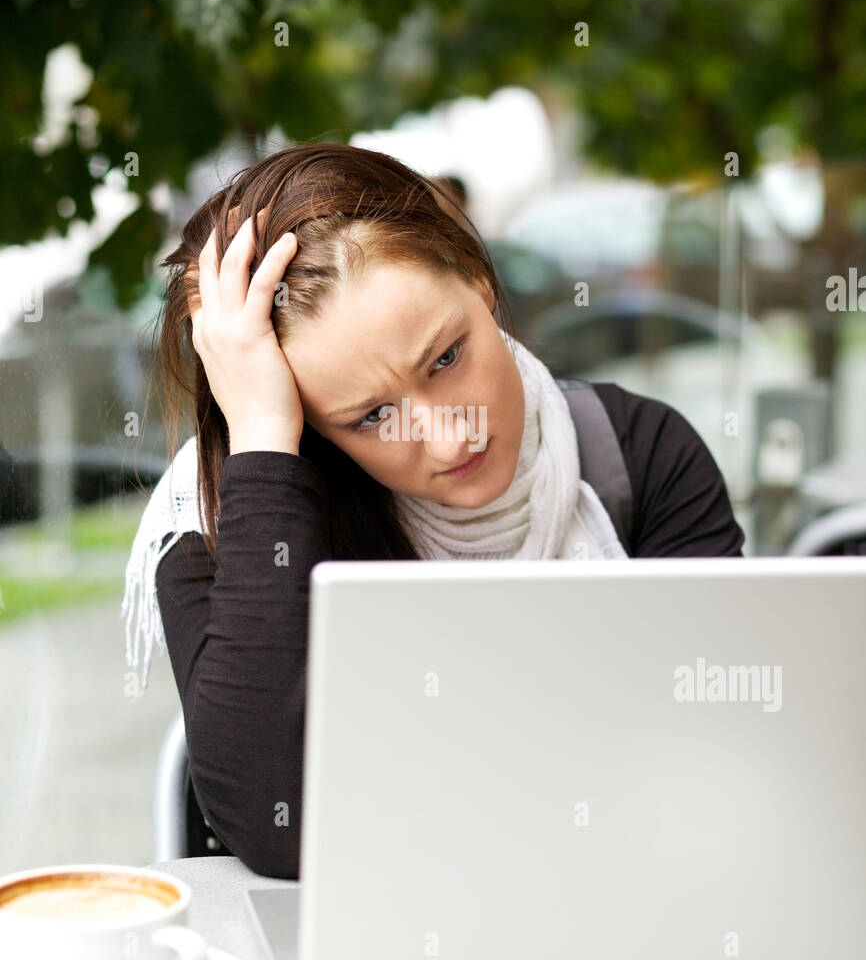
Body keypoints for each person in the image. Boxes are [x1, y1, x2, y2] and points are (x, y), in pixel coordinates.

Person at [122, 143, 744, 878]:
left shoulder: (639, 458)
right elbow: (276, 825)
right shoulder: (225, 519)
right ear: (310, 424)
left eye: (446, 358)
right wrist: (262, 443)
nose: (450, 436)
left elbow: (711, 768)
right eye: (371, 417)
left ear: (479, 280)